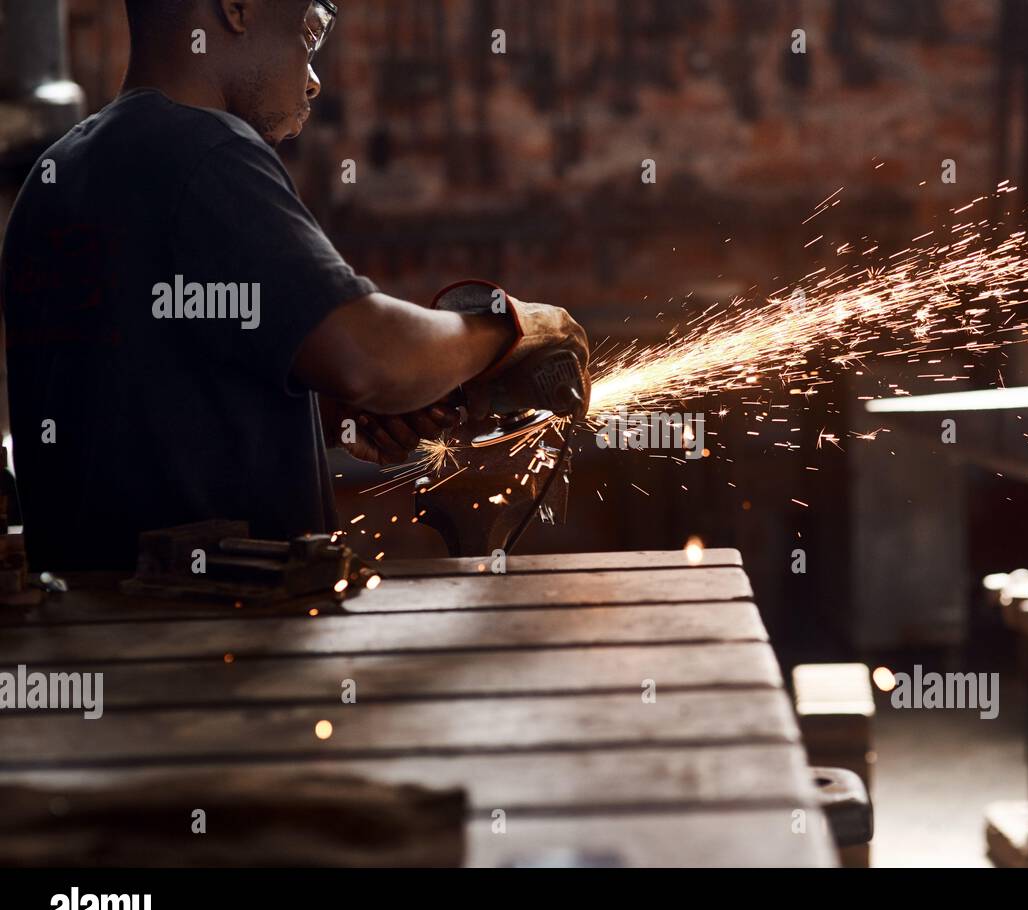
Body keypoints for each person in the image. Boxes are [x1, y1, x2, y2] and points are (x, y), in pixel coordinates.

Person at [0, 0, 588, 571]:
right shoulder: (206, 154)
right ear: (236, 8)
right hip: (220, 643)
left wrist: (334, 414)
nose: (313, 83)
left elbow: (148, 411)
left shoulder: (62, 172)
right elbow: (371, 354)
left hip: (99, 634)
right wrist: (513, 326)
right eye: (306, 32)